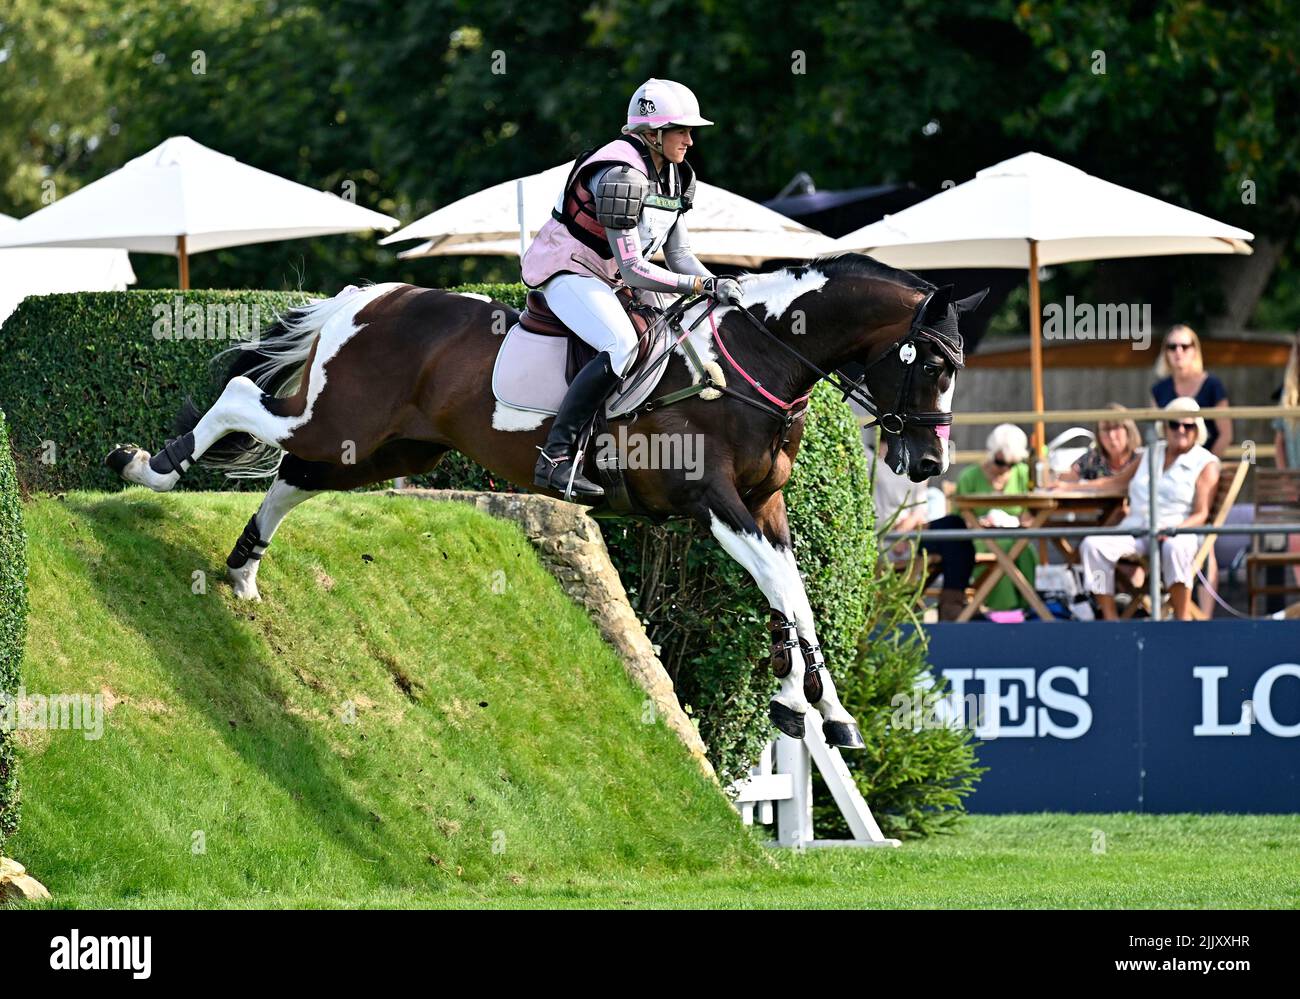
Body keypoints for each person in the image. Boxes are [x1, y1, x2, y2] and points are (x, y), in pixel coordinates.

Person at [520, 78, 741, 500]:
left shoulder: (676, 177)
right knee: (621, 342)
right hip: (568, 271)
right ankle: (556, 457)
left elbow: (680, 257)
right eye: (682, 130)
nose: (691, 141)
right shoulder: (619, 177)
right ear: (653, 133)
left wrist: (718, 286)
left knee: (685, 329)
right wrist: (699, 284)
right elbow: (637, 269)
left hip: (612, 277)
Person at [1079, 398, 1221, 621]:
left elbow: (1201, 514)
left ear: (1198, 428)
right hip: (1136, 528)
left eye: (1188, 425)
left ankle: (1182, 619)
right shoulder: (1151, 453)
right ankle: (1109, 619)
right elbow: (1116, 482)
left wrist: (1173, 529)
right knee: (1092, 546)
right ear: (1164, 427)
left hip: (1177, 529)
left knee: (1175, 547)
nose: (1181, 430)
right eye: (1174, 424)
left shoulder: (1205, 462)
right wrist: (1069, 486)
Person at [871, 448, 974, 621]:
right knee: (955, 532)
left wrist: (904, 532)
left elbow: (919, 509)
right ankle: (951, 606)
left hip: (910, 534)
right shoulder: (869, 459)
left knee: (956, 529)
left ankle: (951, 605)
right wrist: (897, 535)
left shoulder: (913, 458)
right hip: (884, 537)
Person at [954, 424, 1038, 613]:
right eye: (1000, 463)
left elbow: (1032, 512)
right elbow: (958, 518)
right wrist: (977, 523)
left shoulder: (1024, 474)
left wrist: (1023, 519)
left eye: (1012, 464)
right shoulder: (970, 476)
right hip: (979, 538)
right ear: (991, 454)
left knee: (1024, 549)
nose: (1005, 469)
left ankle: (1029, 606)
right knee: (1004, 546)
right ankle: (1004, 609)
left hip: (1016, 534)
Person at [1151, 324, 1231, 457]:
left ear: (1194, 350)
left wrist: (1207, 466)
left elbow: (1225, 435)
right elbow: (1159, 435)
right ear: (1165, 352)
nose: (1178, 351)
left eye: (1184, 346)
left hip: (1206, 464)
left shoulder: (1213, 386)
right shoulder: (1158, 390)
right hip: (1171, 467)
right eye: (1172, 347)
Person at [1052, 403, 1141, 490]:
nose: (1111, 435)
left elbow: (1118, 483)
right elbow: (1066, 479)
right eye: (1105, 429)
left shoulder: (1140, 460)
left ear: (1128, 430)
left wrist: (1071, 487)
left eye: (1116, 427)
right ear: (1098, 435)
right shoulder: (1092, 458)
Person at [1271, 329, 1300, 591]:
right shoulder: (1289, 394)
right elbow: (1278, 443)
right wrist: (1285, 480)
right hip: (1295, 484)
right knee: (1295, 543)